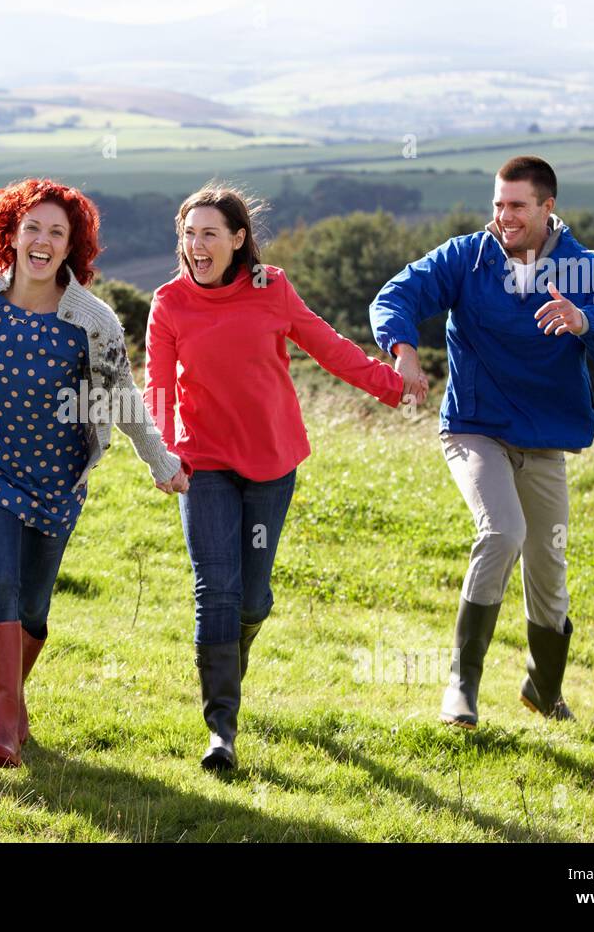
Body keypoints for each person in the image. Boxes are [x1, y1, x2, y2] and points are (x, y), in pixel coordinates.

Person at [0, 177, 187, 768]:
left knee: (32, 606)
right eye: (31, 226)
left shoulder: (93, 320)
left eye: (56, 232)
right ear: (9, 233)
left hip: (56, 482)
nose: (41, 239)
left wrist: (159, 460)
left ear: (70, 247)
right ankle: (2, 724)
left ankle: (5, 677)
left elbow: (121, 396)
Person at [369, 155, 594, 730]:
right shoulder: (466, 256)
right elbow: (396, 295)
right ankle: (460, 689)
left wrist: (585, 321)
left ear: (548, 207)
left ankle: (544, 691)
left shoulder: (586, 269)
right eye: (498, 203)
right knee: (502, 532)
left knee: (549, 571)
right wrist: (404, 350)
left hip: (543, 441)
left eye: (517, 205)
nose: (504, 216)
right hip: (474, 428)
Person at [145, 182, 405, 770]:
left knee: (252, 597)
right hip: (202, 462)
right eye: (188, 234)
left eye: (210, 234)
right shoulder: (169, 303)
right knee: (215, 589)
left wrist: (391, 385)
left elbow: (329, 347)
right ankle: (221, 731)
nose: (197, 245)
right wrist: (159, 454)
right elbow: (158, 389)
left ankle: (231, 661)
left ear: (238, 240)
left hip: (269, 464)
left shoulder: (272, 289)